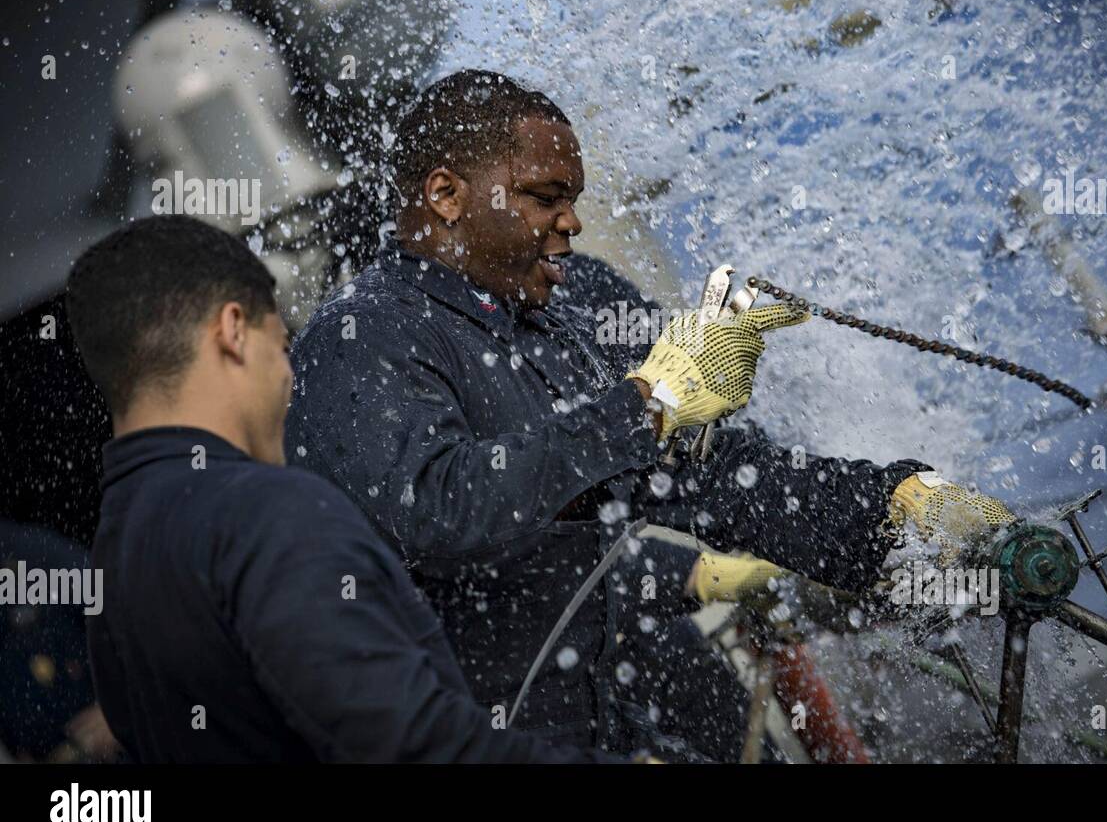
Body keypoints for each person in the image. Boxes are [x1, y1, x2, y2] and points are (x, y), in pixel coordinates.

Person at [285, 69, 1017, 760]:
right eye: (545, 196)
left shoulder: (555, 320)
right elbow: (434, 509)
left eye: (572, 197)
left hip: (604, 725)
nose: (571, 220)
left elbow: (702, 473)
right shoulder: (361, 336)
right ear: (446, 194)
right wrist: (646, 409)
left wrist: (892, 509)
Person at [65, 215, 615, 762]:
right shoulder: (267, 514)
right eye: (281, 348)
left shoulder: (112, 568)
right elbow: (419, 747)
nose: (288, 382)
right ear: (233, 331)